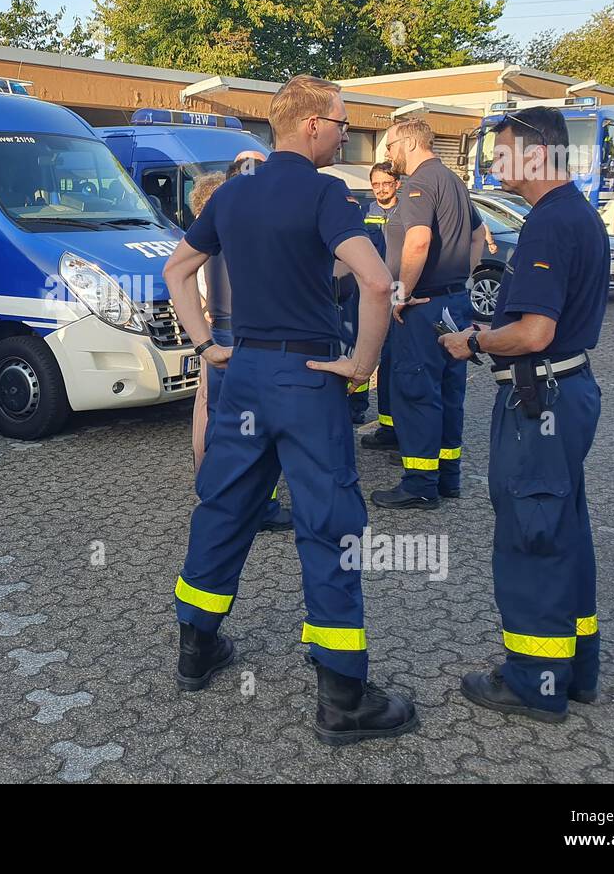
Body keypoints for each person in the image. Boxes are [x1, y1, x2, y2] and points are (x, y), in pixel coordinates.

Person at [162, 75, 417, 746]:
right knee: (330, 523)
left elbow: (175, 270)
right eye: (341, 121)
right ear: (310, 125)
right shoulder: (328, 194)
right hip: (307, 377)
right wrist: (363, 363)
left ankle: (195, 649)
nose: (344, 131)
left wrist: (204, 344)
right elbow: (377, 279)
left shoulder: (235, 193)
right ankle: (342, 697)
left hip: (242, 371)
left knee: (224, 505)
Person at [438, 105, 609, 722]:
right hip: (567, 393)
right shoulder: (575, 214)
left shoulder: (547, 224)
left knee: (531, 536)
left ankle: (534, 681)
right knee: (563, 530)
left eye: (502, 151)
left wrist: (476, 341)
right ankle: (576, 669)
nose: (494, 163)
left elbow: (535, 333)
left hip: (541, 403)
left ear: (536, 153)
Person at [373, 118, 485, 509]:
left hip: (423, 306)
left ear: (406, 143)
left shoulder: (420, 183)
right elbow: (476, 234)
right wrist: (462, 275)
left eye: (389, 147)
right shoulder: (454, 181)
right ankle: (447, 478)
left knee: (417, 391)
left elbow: (418, 243)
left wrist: (402, 293)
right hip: (455, 302)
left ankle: (420, 483)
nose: (387, 155)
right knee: (449, 391)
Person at [189, 155, 292, 532]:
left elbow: (181, 272)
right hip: (251, 334)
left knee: (222, 416)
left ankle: (216, 493)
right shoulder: (258, 222)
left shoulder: (217, 221)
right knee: (255, 424)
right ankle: (259, 506)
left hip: (221, 332)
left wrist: (202, 340)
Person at [358, 161, 402, 447]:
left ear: (397, 183)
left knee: (395, 360)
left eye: (387, 183)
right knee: (364, 349)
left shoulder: (409, 210)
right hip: (371, 292)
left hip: (399, 291)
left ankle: (394, 424)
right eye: (376, 184)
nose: (381, 189)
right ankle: (358, 407)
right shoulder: (367, 212)